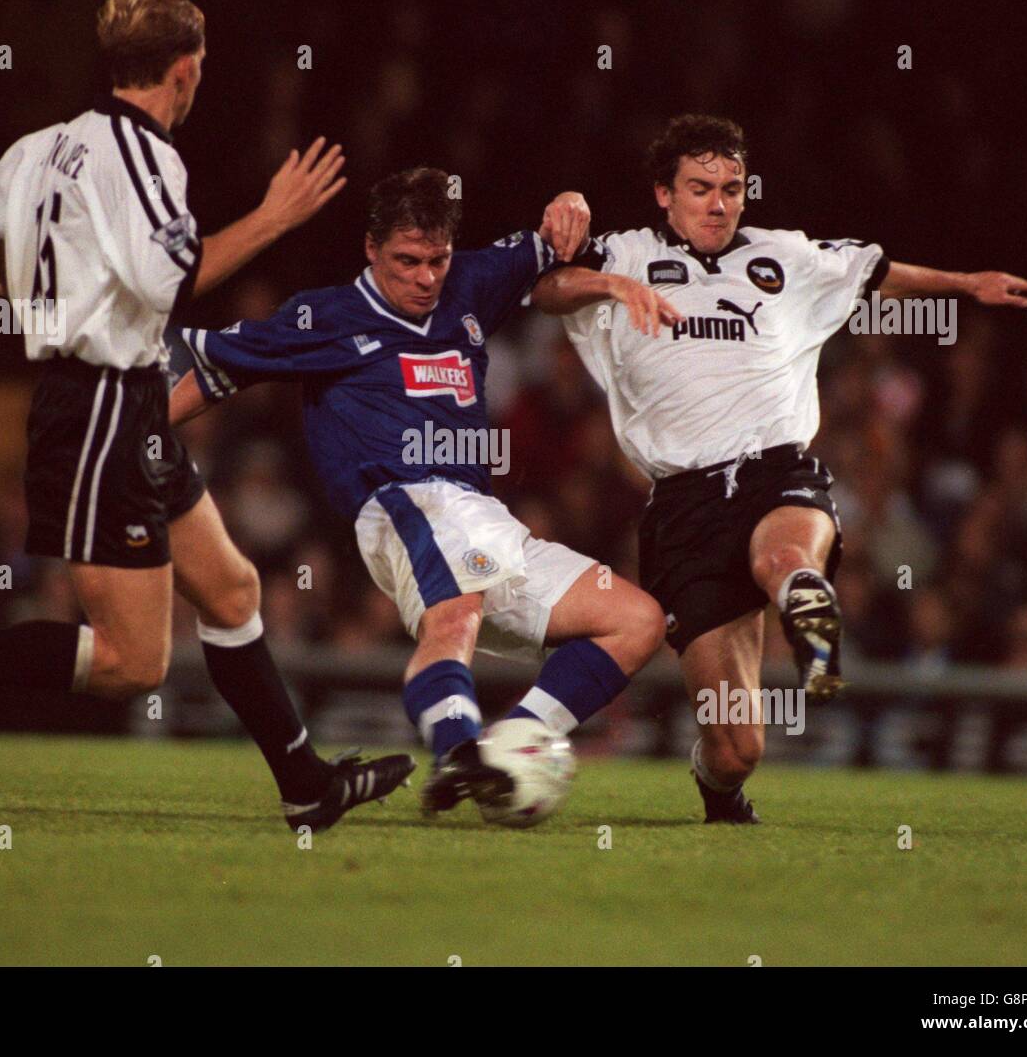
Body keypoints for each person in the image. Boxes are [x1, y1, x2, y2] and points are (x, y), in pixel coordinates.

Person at [0, 0, 414, 833]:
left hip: (124, 401)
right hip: (100, 408)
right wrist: (274, 215)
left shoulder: (46, 144)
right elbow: (175, 283)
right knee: (132, 662)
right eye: (203, 65)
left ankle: (306, 784)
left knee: (231, 590)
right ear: (184, 68)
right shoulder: (145, 155)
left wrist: (40, 298)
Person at [532, 113, 1027, 823]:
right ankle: (719, 785)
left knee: (785, 556)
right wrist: (600, 266)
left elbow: (876, 276)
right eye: (701, 187)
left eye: (732, 187)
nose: (719, 202)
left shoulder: (784, 257)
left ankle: (805, 597)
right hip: (684, 506)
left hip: (776, 470)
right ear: (664, 194)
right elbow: (544, 287)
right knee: (737, 745)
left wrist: (968, 284)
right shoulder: (621, 255)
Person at [170, 167, 669, 816]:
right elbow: (215, 372)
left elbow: (553, 239)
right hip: (405, 502)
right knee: (453, 616)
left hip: (486, 518)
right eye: (407, 260)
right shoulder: (327, 315)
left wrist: (572, 200)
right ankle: (460, 754)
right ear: (372, 251)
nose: (425, 277)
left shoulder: (469, 282)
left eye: (436, 259)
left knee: (637, 621)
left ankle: (510, 742)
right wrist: (137, 433)